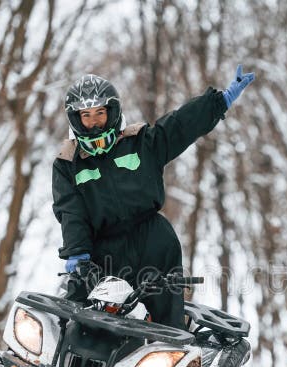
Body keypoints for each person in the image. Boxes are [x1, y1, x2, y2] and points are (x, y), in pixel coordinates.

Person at [53, 66, 255, 329]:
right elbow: (71, 211)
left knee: (165, 320)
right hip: (101, 253)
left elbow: (180, 126)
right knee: (80, 320)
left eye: (100, 112)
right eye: (86, 115)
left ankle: (173, 346)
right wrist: (78, 254)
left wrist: (219, 101)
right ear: (76, 119)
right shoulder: (67, 164)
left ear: (112, 112)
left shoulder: (141, 142)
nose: (94, 121)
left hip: (152, 241)